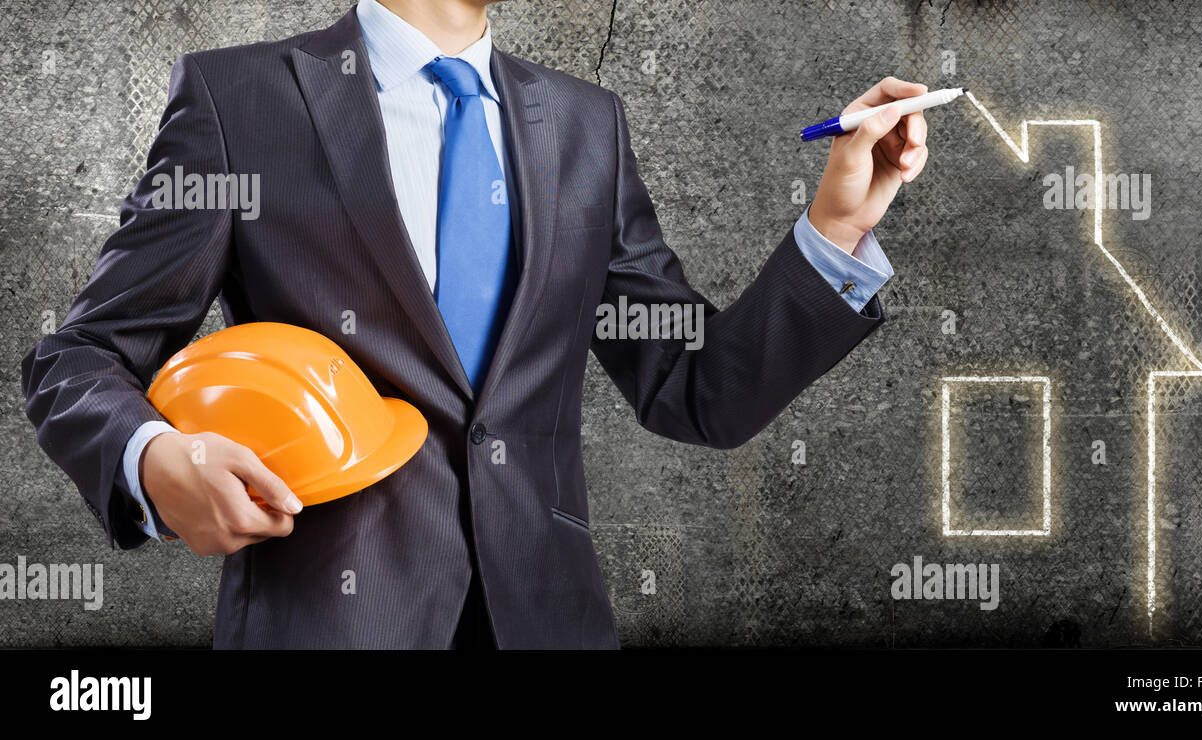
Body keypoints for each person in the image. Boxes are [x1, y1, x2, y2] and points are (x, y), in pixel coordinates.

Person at [21, 0, 929, 648]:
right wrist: (154, 459)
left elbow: (697, 389)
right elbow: (82, 355)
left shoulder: (586, 125)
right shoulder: (240, 102)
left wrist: (838, 225)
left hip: (549, 619)